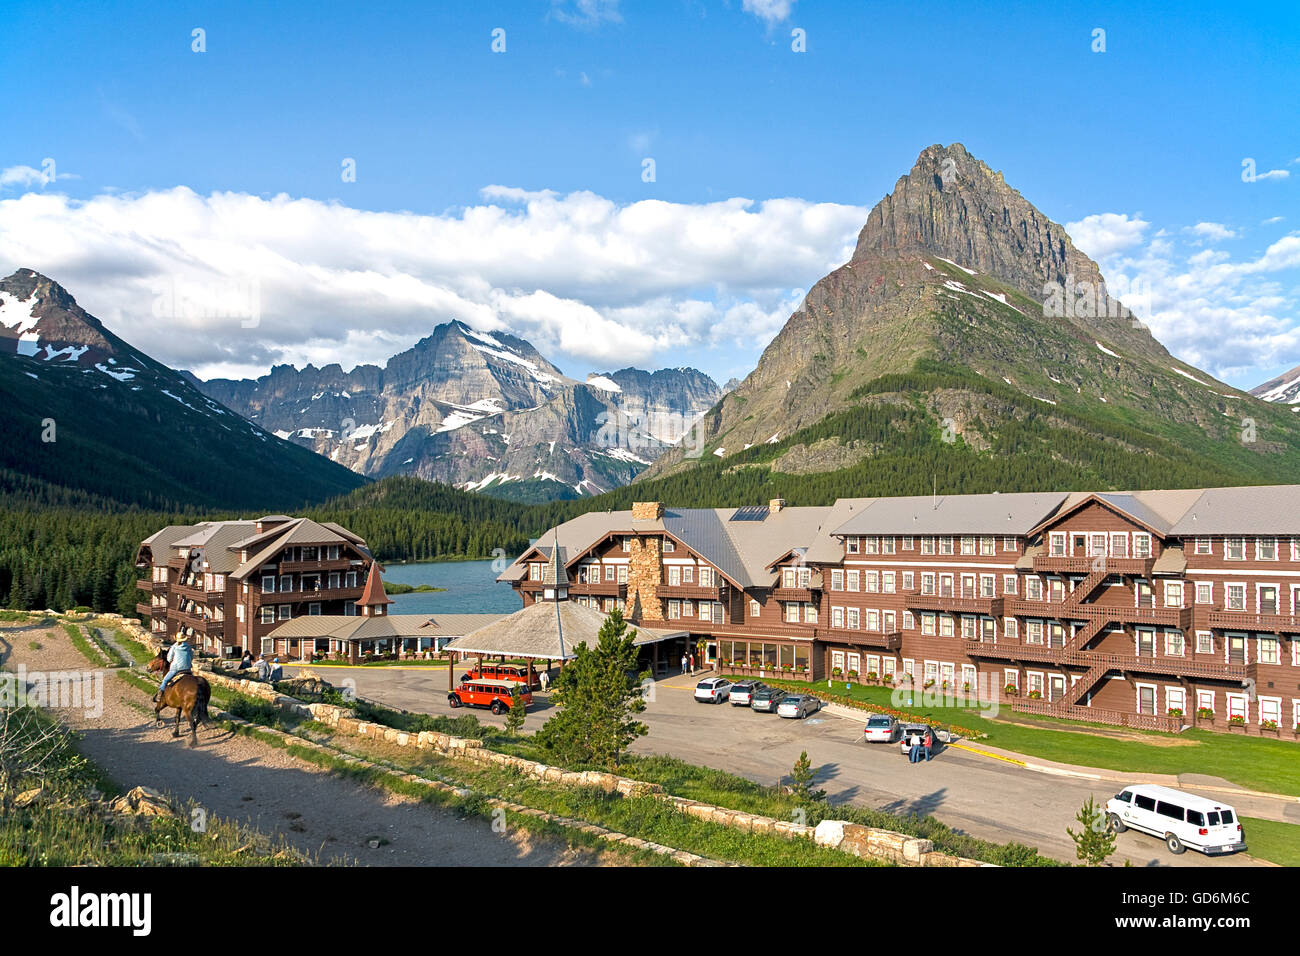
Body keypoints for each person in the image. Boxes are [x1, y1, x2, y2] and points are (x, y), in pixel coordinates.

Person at [154, 636, 194, 702]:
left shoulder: (174, 647)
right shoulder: (188, 647)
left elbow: (169, 659)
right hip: (187, 668)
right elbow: (191, 657)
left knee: (165, 680)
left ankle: (159, 695)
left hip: (176, 668)